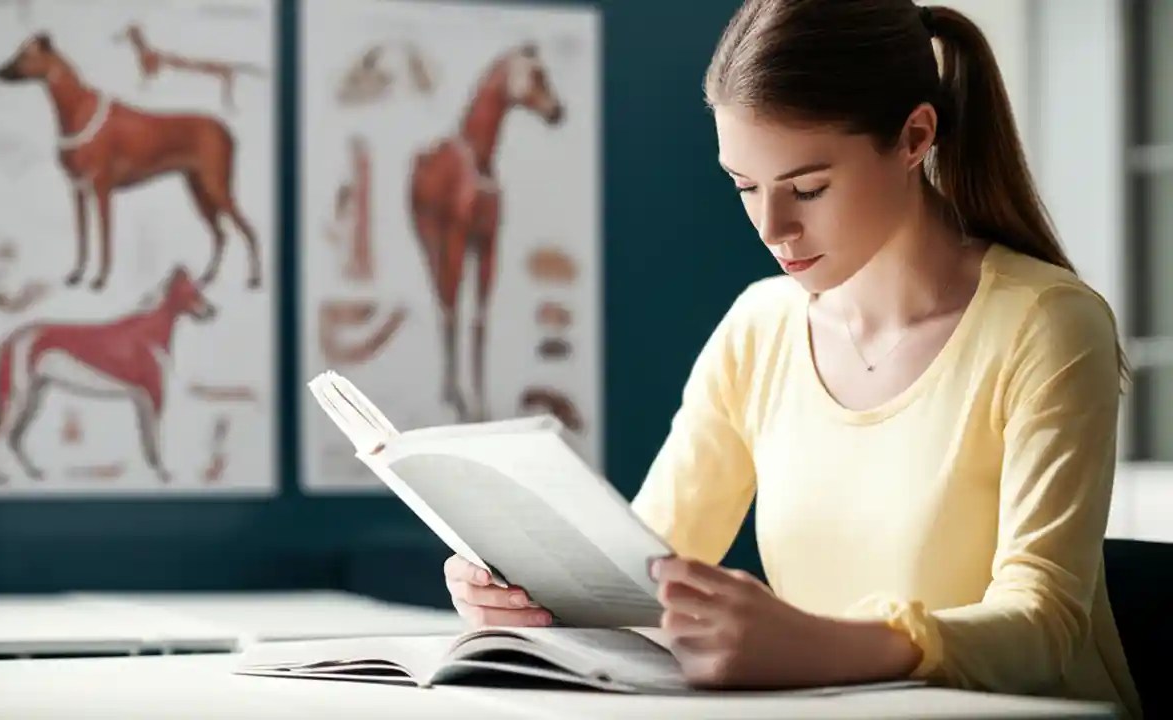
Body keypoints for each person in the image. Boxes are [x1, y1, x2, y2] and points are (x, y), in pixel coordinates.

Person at [441, 1, 1142, 717]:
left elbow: (1044, 625)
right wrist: (531, 599)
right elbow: (640, 578)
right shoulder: (760, 327)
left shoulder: (1046, 324)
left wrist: (815, 644)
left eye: (808, 188)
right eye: (745, 187)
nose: (772, 228)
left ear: (914, 138)